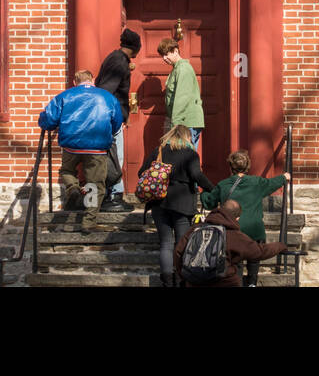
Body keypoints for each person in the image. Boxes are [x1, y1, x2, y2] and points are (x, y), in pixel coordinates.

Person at [37, 70, 123, 230]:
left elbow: (49, 119)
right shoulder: (107, 97)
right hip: (97, 146)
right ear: (93, 80)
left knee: (67, 171)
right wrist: (108, 133)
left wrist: (42, 120)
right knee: (95, 184)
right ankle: (88, 222)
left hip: (71, 145)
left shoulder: (64, 96)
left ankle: (73, 188)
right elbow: (117, 122)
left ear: (74, 82)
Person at [200, 150, 290, 287]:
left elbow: (209, 202)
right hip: (255, 230)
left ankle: (238, 282)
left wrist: (203, 194)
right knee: (254, 257)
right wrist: (285, 177)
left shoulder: (223, 185)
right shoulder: (257, 182)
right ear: (248, 166)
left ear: (230, 167)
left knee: (236, 261)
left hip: (233, 231)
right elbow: (274, 182)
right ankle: (252, 283)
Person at [139, 123, 214, 287]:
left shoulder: (158, 151)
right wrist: (213, 189)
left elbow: (141, 173)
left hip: (159, 202)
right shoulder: (190, 154)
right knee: (182, 243)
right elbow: (196, 175)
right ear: (187, 137)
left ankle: (166, 281)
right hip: (182, 204)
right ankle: (181, 279)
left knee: (165, 243)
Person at [174, 199, 287, 288]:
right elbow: (259, 251)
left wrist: (186, 277)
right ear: (236, 218)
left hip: (194, 283)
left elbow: (178, 253)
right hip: (225, 282)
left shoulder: (195, 229)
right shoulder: (233, 235)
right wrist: (280, 246)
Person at [95, 21, 141, 212]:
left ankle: (112, 193)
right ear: (135, 48)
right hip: (110, 119)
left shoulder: (114, 59)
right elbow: (107, 91)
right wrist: (117, 116)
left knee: (112, 156)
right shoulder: (120, 63)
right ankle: (113, 196)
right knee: (116, 157)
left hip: (110, 117)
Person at [158, 38, 204, 150]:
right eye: (162, 55)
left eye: (166, 54)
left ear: (176, 51)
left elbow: (182, 98)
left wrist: (175, 126)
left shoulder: (183, 69)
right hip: (183, 122)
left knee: (183, 158)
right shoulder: (177, 68)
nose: (164, 58)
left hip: (185, 123)